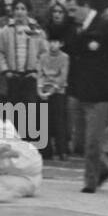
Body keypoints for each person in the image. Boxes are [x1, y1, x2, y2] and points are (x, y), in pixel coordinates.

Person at [64, 0, 108, 192]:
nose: (71, 14)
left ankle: (90, 182)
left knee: (93, 140)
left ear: (85, 6)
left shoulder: (106, 26)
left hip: (100, 92)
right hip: (77, 89)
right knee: (78, 142)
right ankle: (102, 169)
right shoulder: (75, 27)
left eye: (74, 10)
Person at [38, 31, 71, 160]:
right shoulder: (43, 57)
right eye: (50, 42)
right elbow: (40, 73)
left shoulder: (64, 57)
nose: (53, 45)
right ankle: (46, 150)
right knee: (44, 120)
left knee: (59, 121)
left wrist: (53, 90)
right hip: (44, 90)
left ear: (61, 44)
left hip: (58, 91)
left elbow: (63, 76)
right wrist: (40, 90)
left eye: (56, 42)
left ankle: (62, 150)